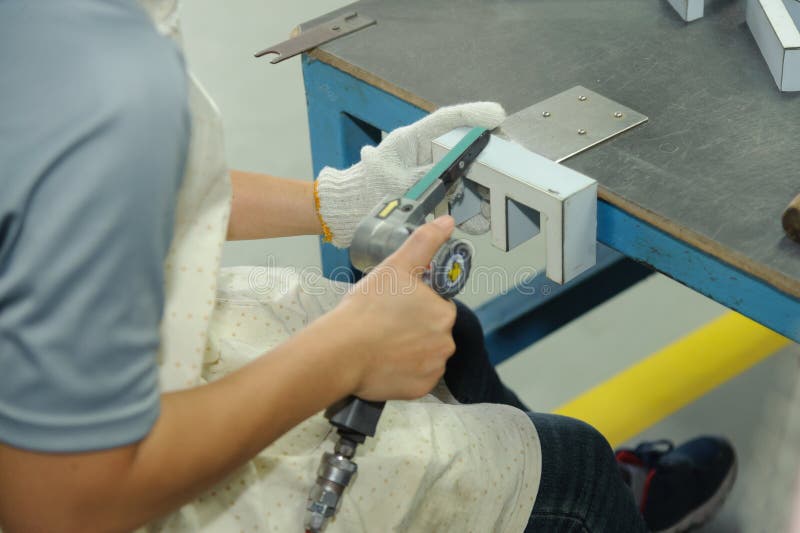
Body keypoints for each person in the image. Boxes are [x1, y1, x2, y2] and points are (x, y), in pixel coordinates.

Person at [0, 1, 736, 532]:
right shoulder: (100, 75)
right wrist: (345, 352)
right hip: (97, 484)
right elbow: (64, 500)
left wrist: (339, 201)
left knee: (450, 332)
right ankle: (579, 499)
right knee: (570, 462)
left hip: (89, 361)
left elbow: (105, 191)